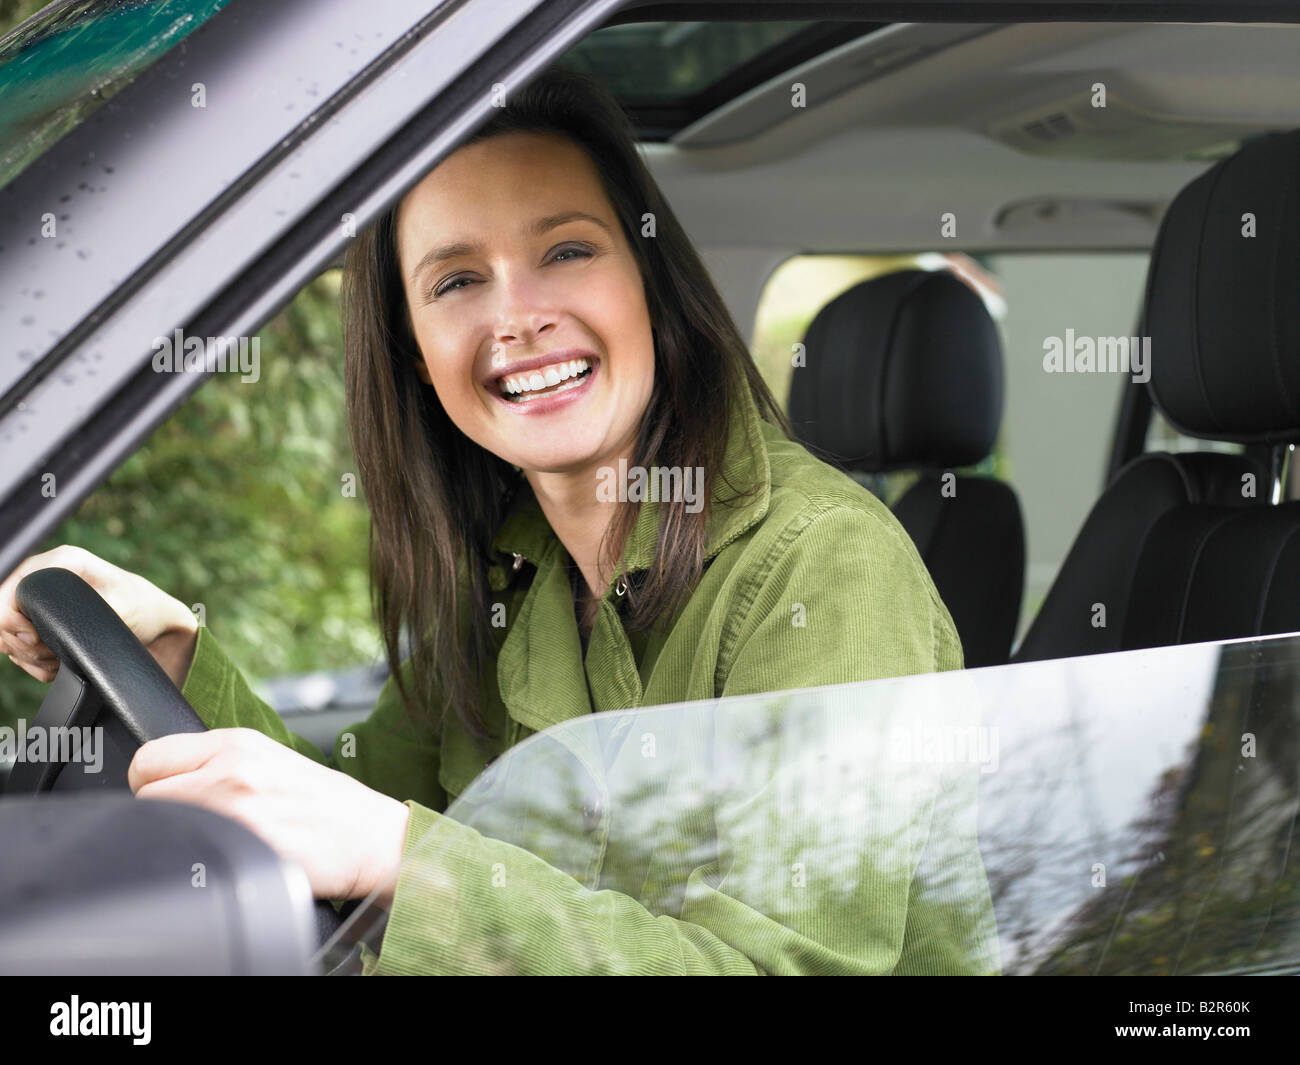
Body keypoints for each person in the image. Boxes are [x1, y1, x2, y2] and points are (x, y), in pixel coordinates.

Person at [0, 67, 997, 974]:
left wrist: (406, 861)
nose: (517, 316)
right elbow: (333, 815)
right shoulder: (510, 579)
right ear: (416, 357)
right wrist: (179, 662)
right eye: (458, 280)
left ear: (648, 285)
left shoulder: (823, 564)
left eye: (565, 250)